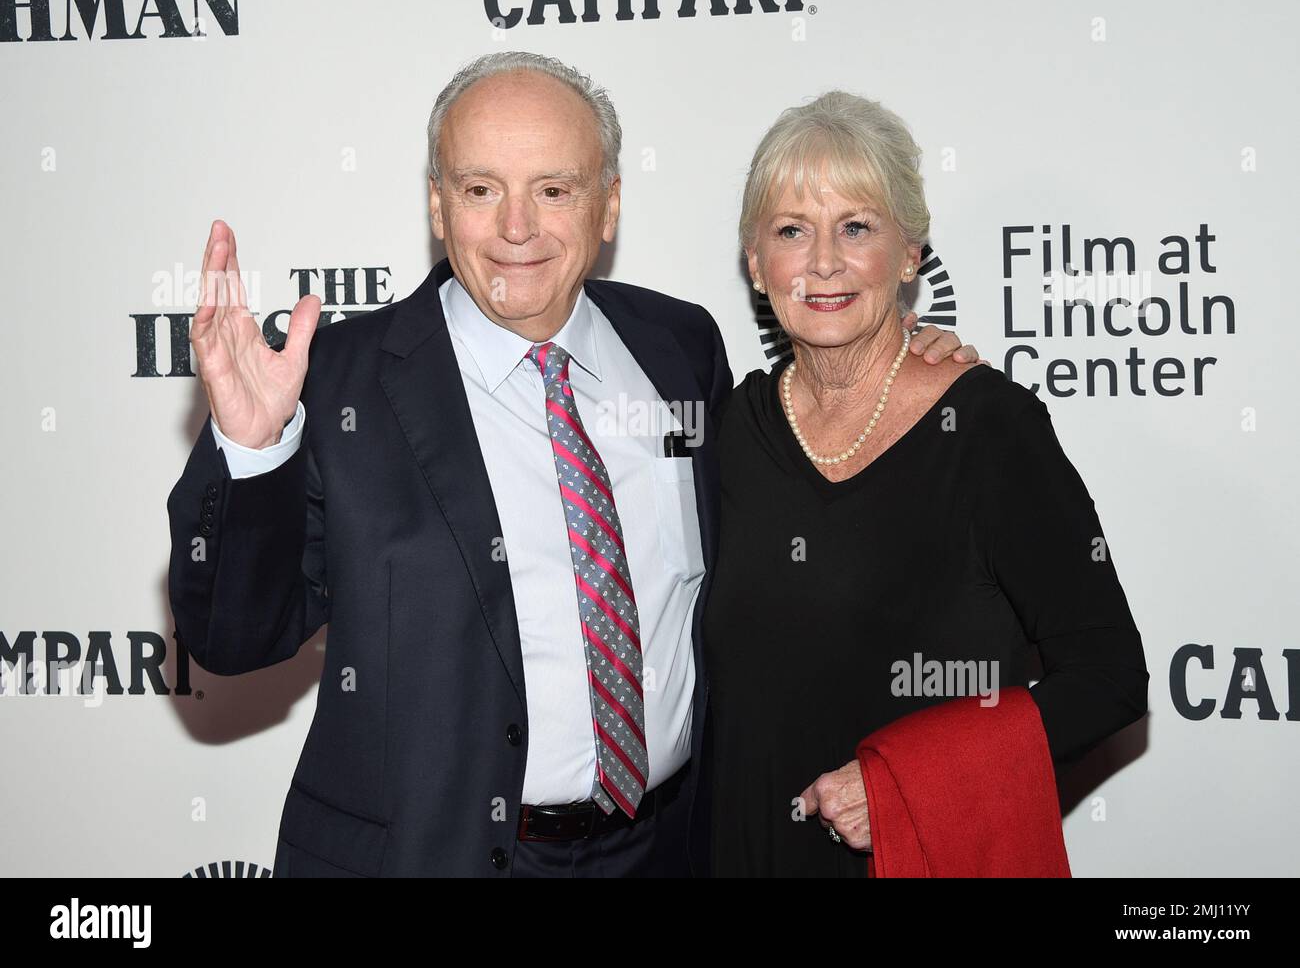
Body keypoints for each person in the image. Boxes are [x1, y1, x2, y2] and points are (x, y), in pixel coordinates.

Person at [166, 53, 974, 878]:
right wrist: (253, 452)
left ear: (609, 205)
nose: (518, 227)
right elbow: (232, 639)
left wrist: (896, 368)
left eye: (555, 189)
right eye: (481, 189)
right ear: (439, 206)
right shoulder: (340, 378)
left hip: (667, 849)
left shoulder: (680, 348)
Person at [700, 91, 1150, 876]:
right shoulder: (728, 432)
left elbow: (1110, 678)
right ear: (753, 261)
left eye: (857, 228)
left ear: (910, 254)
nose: (825, 262)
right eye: (791, 231)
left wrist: (908, 786)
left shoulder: (988, 429)